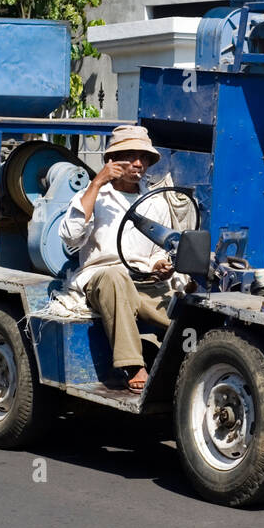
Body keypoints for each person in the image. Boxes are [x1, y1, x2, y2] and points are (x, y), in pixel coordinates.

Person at [59, 125, 178, 391]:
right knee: (115, 277)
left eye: (144, 158)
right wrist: (97, 182)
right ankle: (133, 364)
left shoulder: (155, 201)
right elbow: (70, 236)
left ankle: (183, 365)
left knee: (184, 315)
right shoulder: (94, 196)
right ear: (113, 160)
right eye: (131, 157)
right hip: (103, 281)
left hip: (145, 283)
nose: (138, 164)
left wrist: (161, 266)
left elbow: (159, 250)